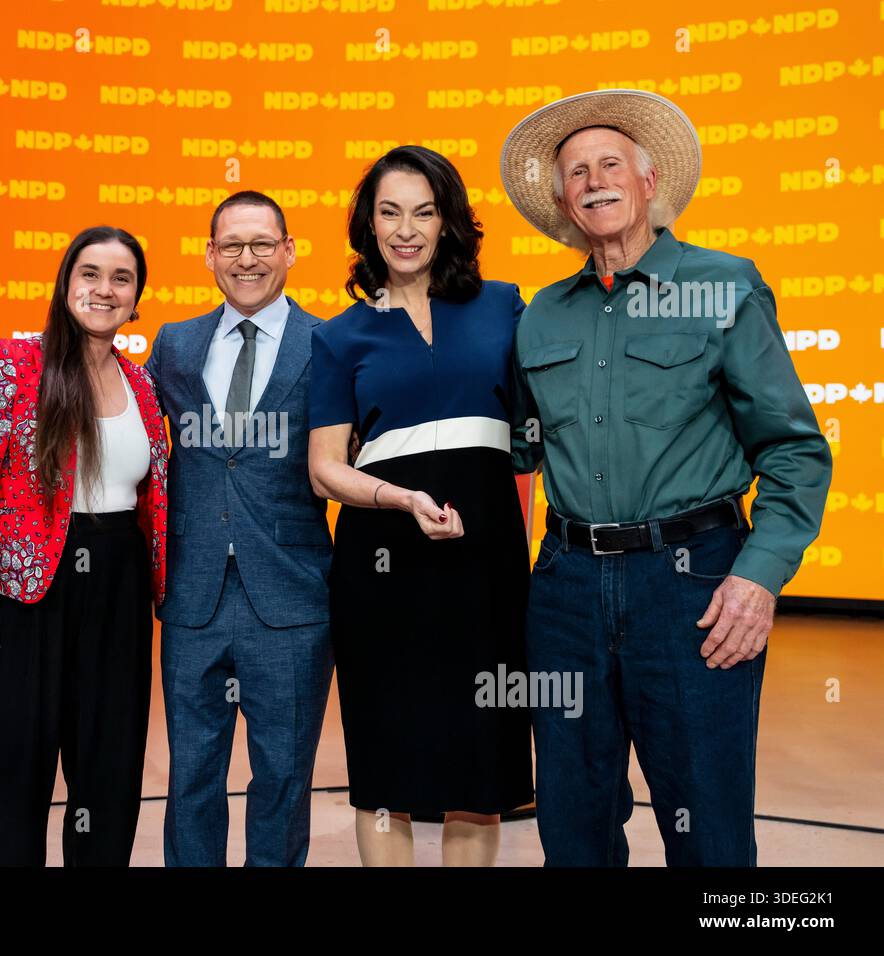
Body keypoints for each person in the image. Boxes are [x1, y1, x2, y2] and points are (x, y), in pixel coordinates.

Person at [500, 89, 833, 865]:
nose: (593, 181)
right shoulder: (539, 316)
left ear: (650, 181)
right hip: (566, 592)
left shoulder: (726, 286)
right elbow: (516, 447)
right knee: (573, 827)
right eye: (575, 171)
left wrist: (759, 578)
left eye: (610, 163)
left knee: (709, 827)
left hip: (694, 588)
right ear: (561, 199)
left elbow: (793, 450)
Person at [307, 145, 534, 867]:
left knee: (480, 769)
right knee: (386, 770)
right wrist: (402, 500)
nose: (406, 229)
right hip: (380, 571)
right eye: (389, 212)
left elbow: (535, 432)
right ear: (367, 225)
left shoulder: (503, 305)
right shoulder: (340, 334)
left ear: (449, 222)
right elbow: (323, 470)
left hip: (487, 564)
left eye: (424, 212)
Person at [0, 226, 167, 867]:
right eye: (90, 274)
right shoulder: (10, 363)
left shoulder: (143, 387)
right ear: (66, 283)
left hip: (118, 589)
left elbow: (150, 499)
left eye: (121, 279)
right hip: (19, 593)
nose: (104, 289)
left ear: (136, 298)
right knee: (9, 765)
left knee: (109, 767)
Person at [145, 191, 333, 866]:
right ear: (209, 255)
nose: (246, 259)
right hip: (193, 596)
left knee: (283, 776)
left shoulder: (330, 343)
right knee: (191, 778)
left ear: (288, 250)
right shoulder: (174, 343)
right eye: (232, 245)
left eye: (261, 244)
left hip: (291, 597)